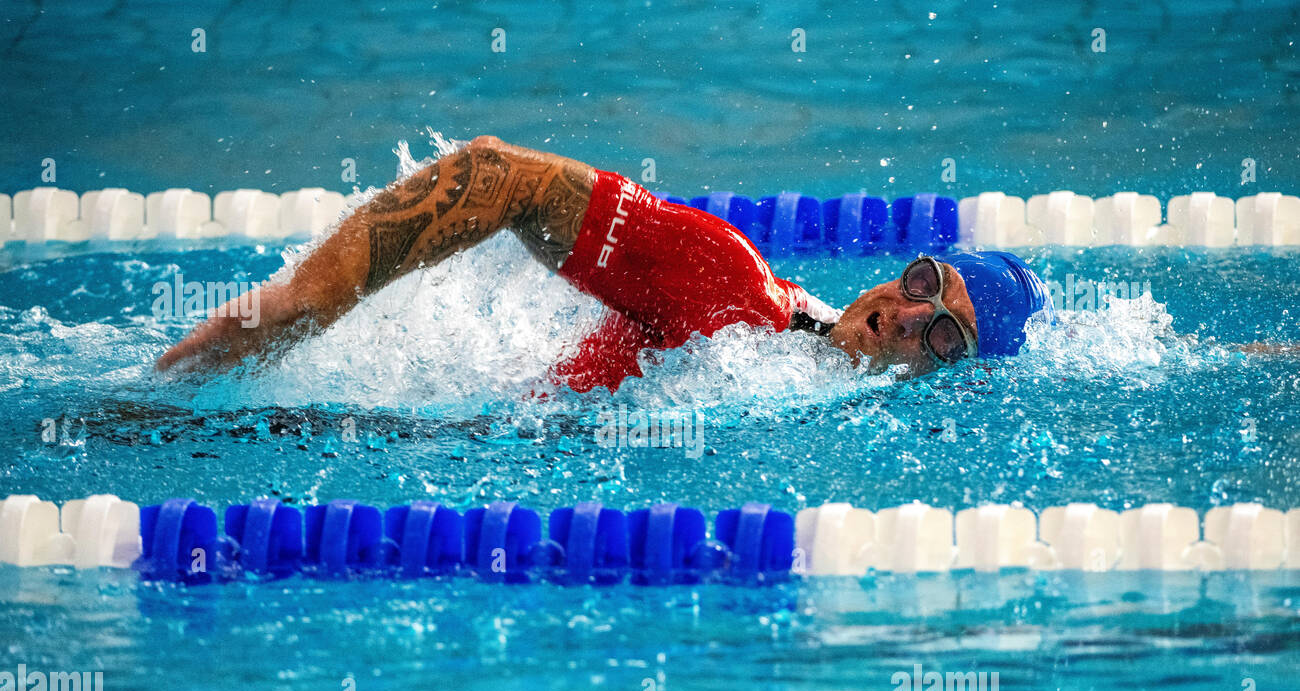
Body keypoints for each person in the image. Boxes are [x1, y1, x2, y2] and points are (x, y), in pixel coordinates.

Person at [155, 136, 1053, 391]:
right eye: (925, 285)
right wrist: (309, 298)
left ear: (954, 380)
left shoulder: (788, 363)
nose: (901, 314)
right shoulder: (735, 288)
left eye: (939, 336)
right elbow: (494, 175)